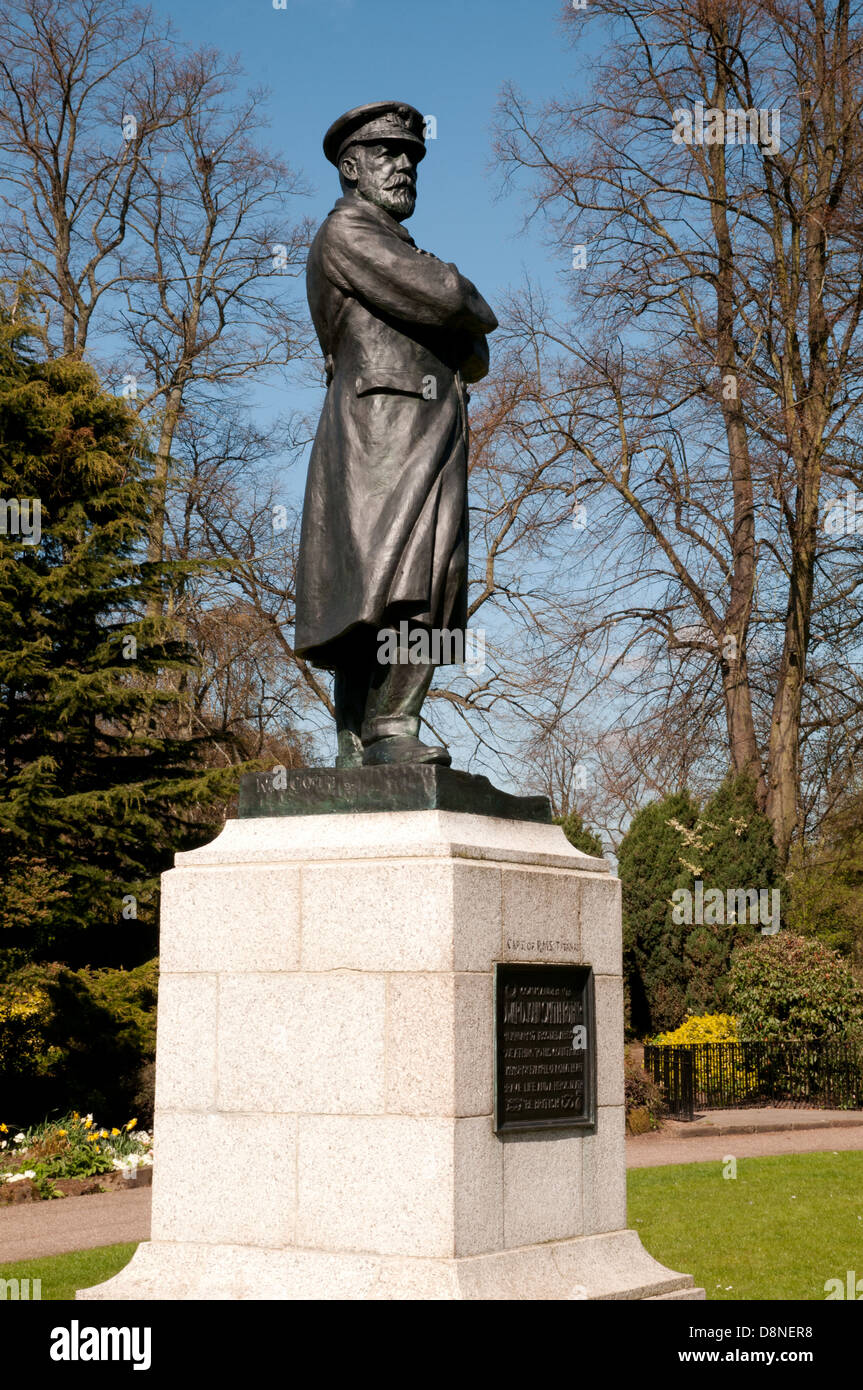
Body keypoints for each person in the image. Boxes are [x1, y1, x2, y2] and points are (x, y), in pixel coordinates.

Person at [294, 101, 498, 767]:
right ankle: (384, 731)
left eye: (409, 154)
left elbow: (476, 355)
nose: (404, 165)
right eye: (387, 154)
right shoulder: (350, 233)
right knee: (402, 584)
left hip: (417, 429)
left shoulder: (386, 242)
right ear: (350, 167)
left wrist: (459, 320)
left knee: (411, 585)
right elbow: (448, 299)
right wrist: (458, 300)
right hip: (383, 437)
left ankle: (363, 737)